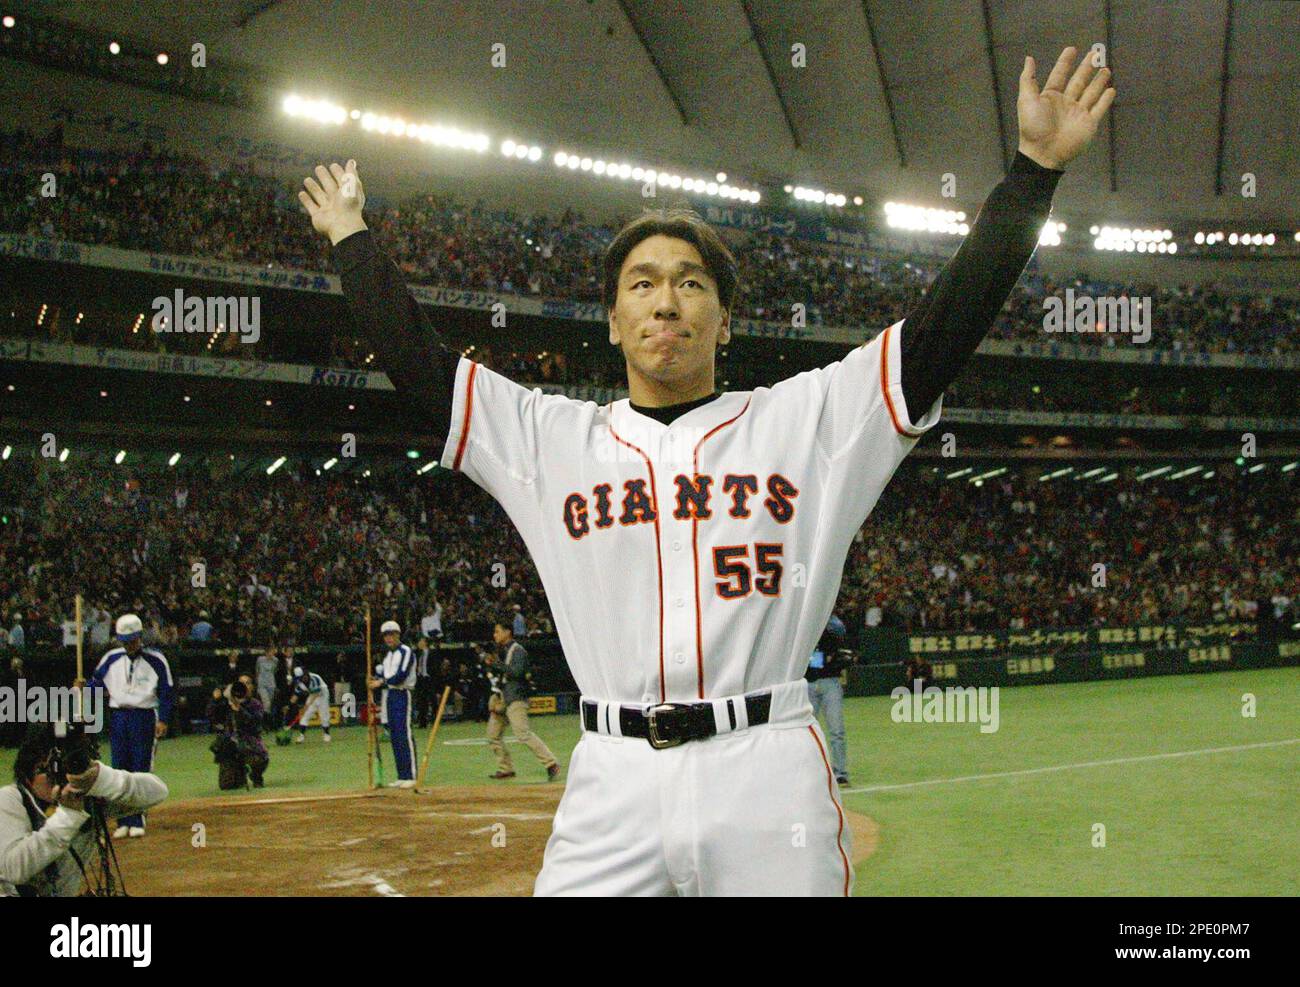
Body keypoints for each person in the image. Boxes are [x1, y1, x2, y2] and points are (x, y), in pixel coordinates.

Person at [299, 46, 1112, 895]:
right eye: (642, 284)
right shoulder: (548, 438)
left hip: (764, 769)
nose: (666, 301)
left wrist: (1034, 175)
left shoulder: (809, 419)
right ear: (612, 320)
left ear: (724, 321)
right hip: (612, 776)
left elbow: (942, 330)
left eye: (691, 284)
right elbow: (424, 369)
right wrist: (352, 239)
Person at [0, 724, 168, 896]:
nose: (62, 776)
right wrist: (69, 816)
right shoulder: (9, 800)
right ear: (30, 770)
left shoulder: (86, 799)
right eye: (50, 768)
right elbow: (13, 870)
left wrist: (101, 778)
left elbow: (157, 792)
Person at [86, 614, 172, 839]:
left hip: (144, 716)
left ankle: (138, 818)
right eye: (125, 640)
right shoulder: (111, 658)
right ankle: (122, 820)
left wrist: (163, 719)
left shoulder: (156, 659)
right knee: (119, 767)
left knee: (140, 767)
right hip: (118, 717)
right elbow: (95, 684)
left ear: (140, 637)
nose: (129, 644)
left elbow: (166, 690)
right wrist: (83, 686)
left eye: (132, 639)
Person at [484, 617, 558, 782]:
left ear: (507, 632)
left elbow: (516, 673)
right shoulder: (501, 650)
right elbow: (499, 676)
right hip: (502, 697)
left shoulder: (518, 650)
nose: (494, 635)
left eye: (497, 631)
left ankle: (551, 763)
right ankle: (506, 768)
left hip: (516, 697)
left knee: (522, 733)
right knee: (492, 735)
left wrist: (495, 664)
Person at [368, 620, 416, 788]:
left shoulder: (406, 651)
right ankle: (401, 775)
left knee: (404, 733)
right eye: (386, 635)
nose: (389, 638)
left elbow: (401, 676)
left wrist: (380, 683)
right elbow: (387, 678)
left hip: (402, 693)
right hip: (390, 695)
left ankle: (411, 775)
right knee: (394, 735)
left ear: (398, 634)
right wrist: (375, 681)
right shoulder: (388, 656)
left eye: (391, 634)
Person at [805, 614, 852, 786]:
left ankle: (840, 773)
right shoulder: (803, 631)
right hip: (808, 684)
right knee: (807, 732)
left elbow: (839, 651)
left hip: (829, 682)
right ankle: (810, 771)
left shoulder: (832, 629)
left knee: (836, 730)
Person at [206, 675, 269, 789]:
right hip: (230, 742)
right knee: (227, 785)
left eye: (248, 683)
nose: (245, 686)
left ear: (252, 687)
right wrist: (215, 700)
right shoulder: (226, 703)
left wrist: (239, 709)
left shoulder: (255, 704)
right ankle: (238, 772)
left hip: (250, 740)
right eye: (241, 683)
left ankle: (256, 776)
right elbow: (211, 716)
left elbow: (254, 722)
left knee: (260, 758)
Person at [289, 666, 332, 743]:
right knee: (305, 715)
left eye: (301, 677)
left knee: (323, 715)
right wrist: (289, 706)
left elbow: (316, 693)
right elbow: (295, 695)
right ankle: (301, 736)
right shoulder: (299, 682)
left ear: (305, 674)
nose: (301, 679)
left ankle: (326, 734)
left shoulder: (314, 678)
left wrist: (306, 705)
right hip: (312, 694)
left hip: (323, 694)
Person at [255, 646, 279, 713]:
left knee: (269, 705)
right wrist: (257, 681)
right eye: (270, 652)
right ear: (266, 652)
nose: (272, 654)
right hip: (262, 684)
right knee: (266, 703)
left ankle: (266, 718)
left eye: (273, 652)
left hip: (271, 684)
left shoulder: (276, 660)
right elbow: (257, 670)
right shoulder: (260, 659)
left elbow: (275, 671)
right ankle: (265, 720)